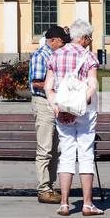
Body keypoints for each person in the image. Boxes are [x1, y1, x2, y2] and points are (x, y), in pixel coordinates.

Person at [46, 18, 102, 216]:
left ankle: (64, 203)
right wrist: (77, 108)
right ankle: (87, 204)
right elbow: (92, 85)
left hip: (62, 112)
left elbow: (48, 87)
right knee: (86, 153)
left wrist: (58, 109)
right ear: (84, 38)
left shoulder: (55, 55)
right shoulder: (89, 57)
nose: (90, 41)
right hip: (85, 111)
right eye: (90, 38)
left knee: (67, 154)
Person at [29, 25, 69, 204]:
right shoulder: (40, 56)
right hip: (44, 104)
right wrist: (55, 86)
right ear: (52, 40)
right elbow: (37, 82)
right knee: (45, 149)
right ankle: (43, 189)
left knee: (54, 149)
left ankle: (50, 186)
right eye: (61, 43)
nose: (63, 46)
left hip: (54, 104)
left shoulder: (55, 55)